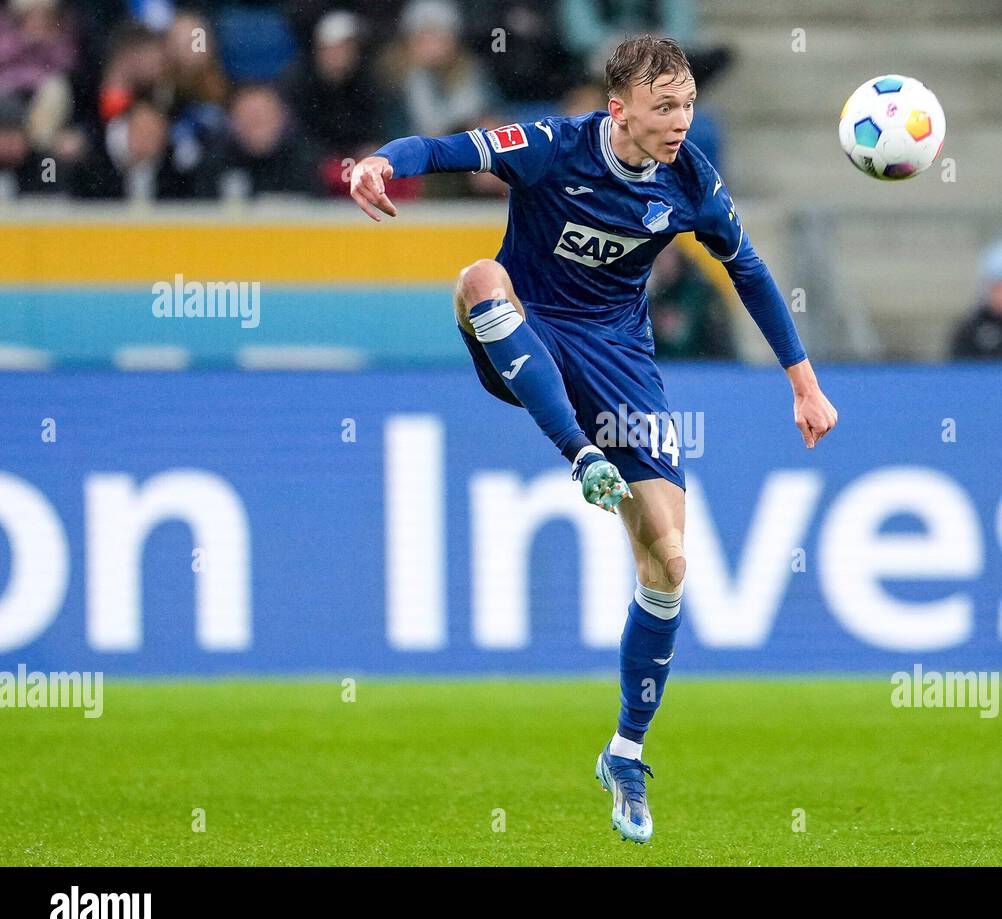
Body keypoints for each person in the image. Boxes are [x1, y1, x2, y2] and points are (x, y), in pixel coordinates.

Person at [350, 34, 837, 844]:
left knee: (670, 565)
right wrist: (379, 162)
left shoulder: (692, 184)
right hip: (527, 330)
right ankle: (579, 455)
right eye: (663, 106)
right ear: (618, 109)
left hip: (618, 357)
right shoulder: (550, 145)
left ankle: (626, 752)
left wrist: (804, 379)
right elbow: (441, 147)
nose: (680, 120)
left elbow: (747, 269)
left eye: (686, 104)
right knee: (478, 277)